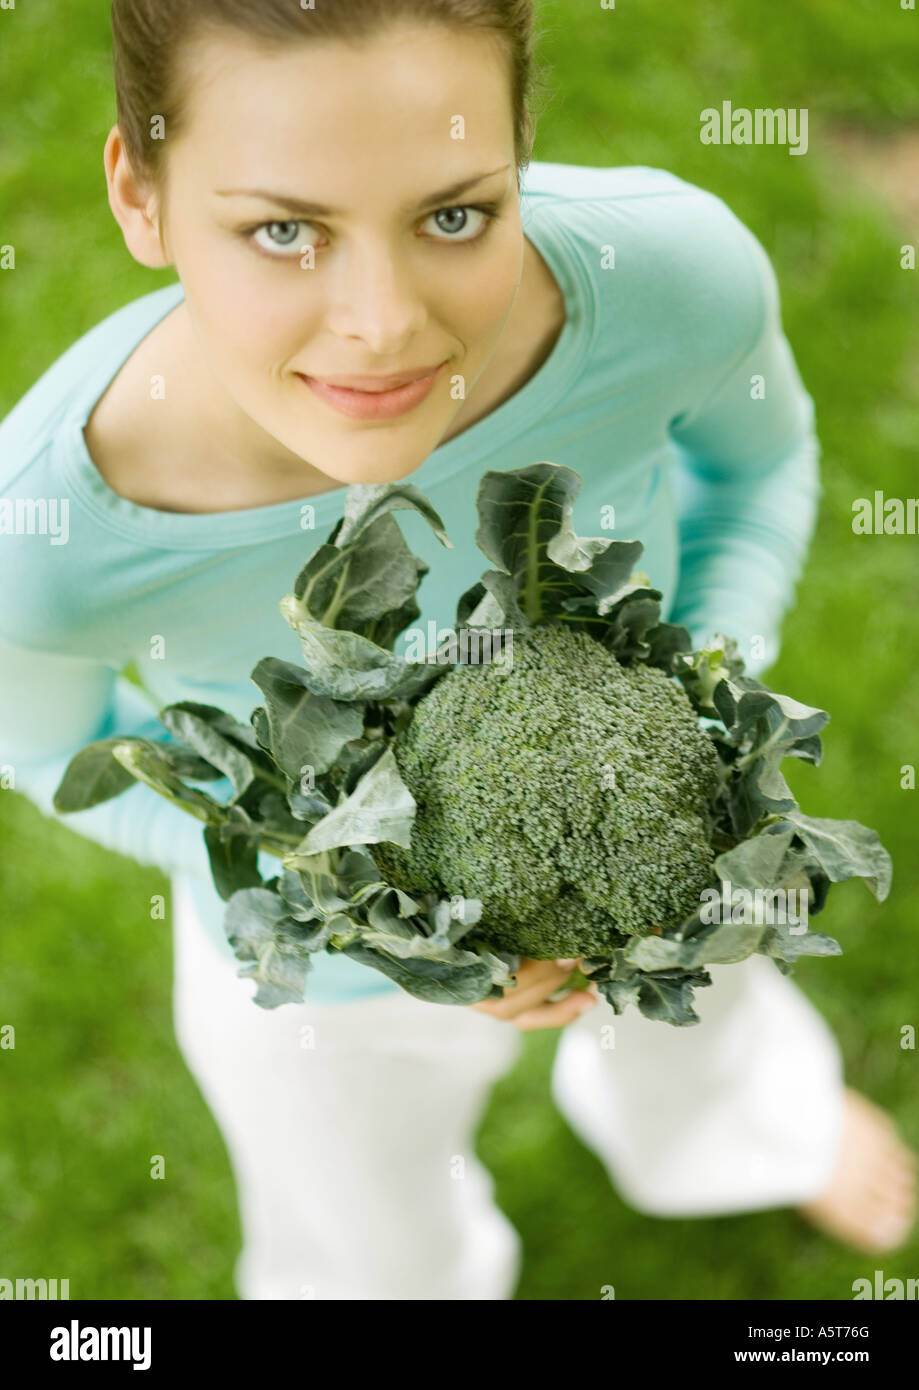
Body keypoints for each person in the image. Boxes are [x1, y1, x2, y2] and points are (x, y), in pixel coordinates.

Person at [0, 0, 914, 1299]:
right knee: (363, 1242)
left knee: (708, 1034)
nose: (383, 324)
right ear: (139, 195)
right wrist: (342, 904)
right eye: (281, 229)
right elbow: (50, 748)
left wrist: (688, 709)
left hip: (661, 837)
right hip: (321, 978)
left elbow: (758, 470)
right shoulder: (51, 540)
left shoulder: (669, 278)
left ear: (522, 154)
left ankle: (745, 1139)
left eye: (454, 214)